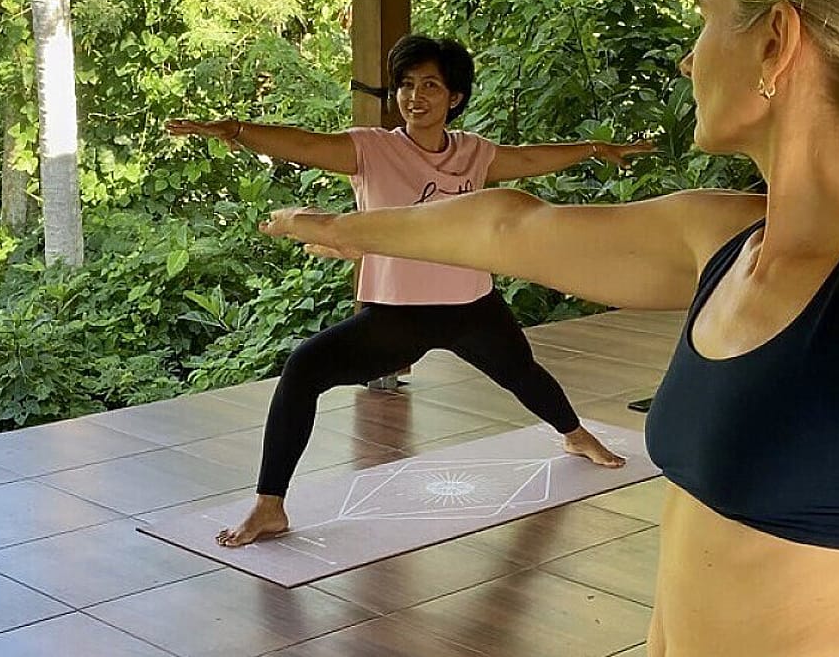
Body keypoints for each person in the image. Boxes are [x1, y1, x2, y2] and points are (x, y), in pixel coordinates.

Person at [256, 0, 839, 657]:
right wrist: (350, 229)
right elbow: (512, 229)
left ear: (776, 42)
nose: (689, 59)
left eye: (706, 18)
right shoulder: (719, 240)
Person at [166, 33, 654, 547]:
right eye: (405, 85)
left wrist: (596, 148)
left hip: (472, 304)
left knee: (521, 372)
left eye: (430, 86)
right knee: (303, 369)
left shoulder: (473, 153)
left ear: (455, 97)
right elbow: (305, 144)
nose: (414, 97)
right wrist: (237, 131)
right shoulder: (372, 149)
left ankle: (575, 436)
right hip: (397, 314)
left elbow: (530, 160)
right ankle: (269, 506)